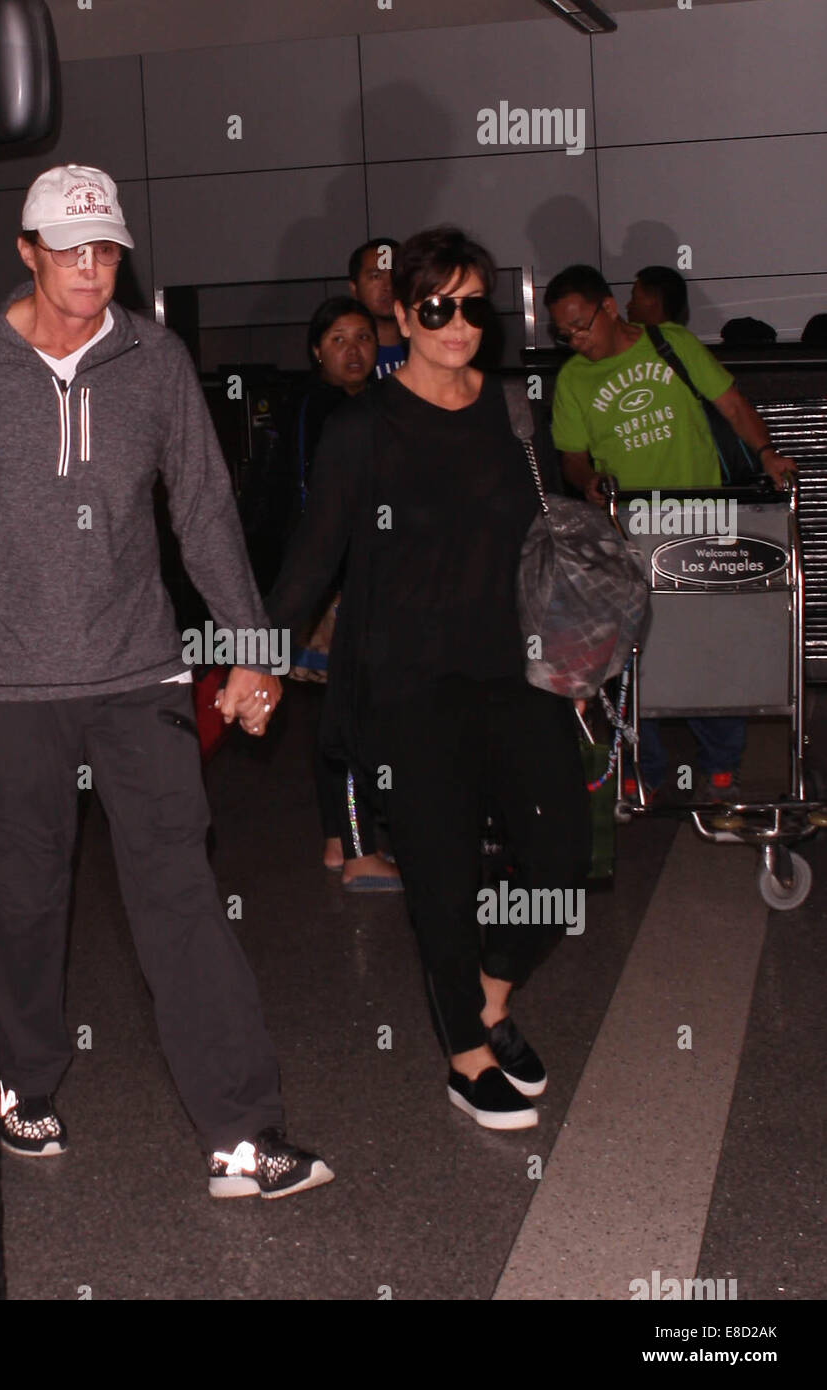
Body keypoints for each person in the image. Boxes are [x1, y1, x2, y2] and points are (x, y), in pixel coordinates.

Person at [0, 163, 332, 1199]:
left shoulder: (155, 358)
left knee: (180, 895)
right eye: (70, 249)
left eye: (108, 250)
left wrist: (253, 649)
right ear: (27, 249)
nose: (91, 269)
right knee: (24, 904)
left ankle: (241, 1133)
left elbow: (207, 515)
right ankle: (23, 1083)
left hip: (140, 675)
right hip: (0, 689)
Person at [270, 226, 590, 1130]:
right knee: (444, 881)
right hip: (407, 691)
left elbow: (543, 538)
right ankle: (465, 1055)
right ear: (402, 314)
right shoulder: (361, 430)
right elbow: (309, 567)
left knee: (562, 863)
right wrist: (254, 666)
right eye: (436, 307)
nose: (457, 325)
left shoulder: (514, 410)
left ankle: (488, 997)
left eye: (471, 306)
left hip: (520, 674)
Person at [545, 264, 797, 804]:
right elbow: (570, 457)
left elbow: (732, 404)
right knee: (637, 652)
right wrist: (588, 480)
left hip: (702, 518)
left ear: (609, 308)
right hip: (630, 525)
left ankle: (722, 766)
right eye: (564, 335)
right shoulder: (572, 380)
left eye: (581, 326)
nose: (576, 341)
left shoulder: (671, 344)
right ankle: (644, 766)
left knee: (710, 644)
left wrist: (768, 452)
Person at [289, 297, 401, 892]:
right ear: (316, 351)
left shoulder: (352, 406)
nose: (355, 350)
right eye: (338, 339)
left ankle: (339, 838)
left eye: (363, 338)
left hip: (333, 581)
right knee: (355, 714)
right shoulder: (328, 410)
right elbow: (321, 511)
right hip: (338, 584)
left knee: (338, 711)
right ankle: (359, 849)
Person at [348, 237, 407, 378]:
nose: (388, 286)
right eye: (376, 276)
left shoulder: (428, 349)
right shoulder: (349, 357)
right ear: (354, 288)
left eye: (395, 275)